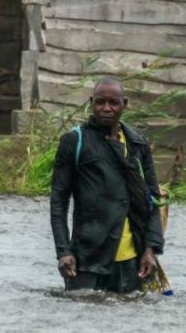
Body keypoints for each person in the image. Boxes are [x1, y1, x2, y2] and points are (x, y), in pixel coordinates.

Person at [50, 76, 165, 293]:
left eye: (113, 103)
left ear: (125, 105)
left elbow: (153, 200)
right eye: (100, 102)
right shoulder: (75, 142)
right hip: (86, 258)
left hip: (131, 261)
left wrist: (150, 249)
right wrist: (64, 252)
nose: (106, 108)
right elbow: (58, 202)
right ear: (91, 103)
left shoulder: (137, 144)